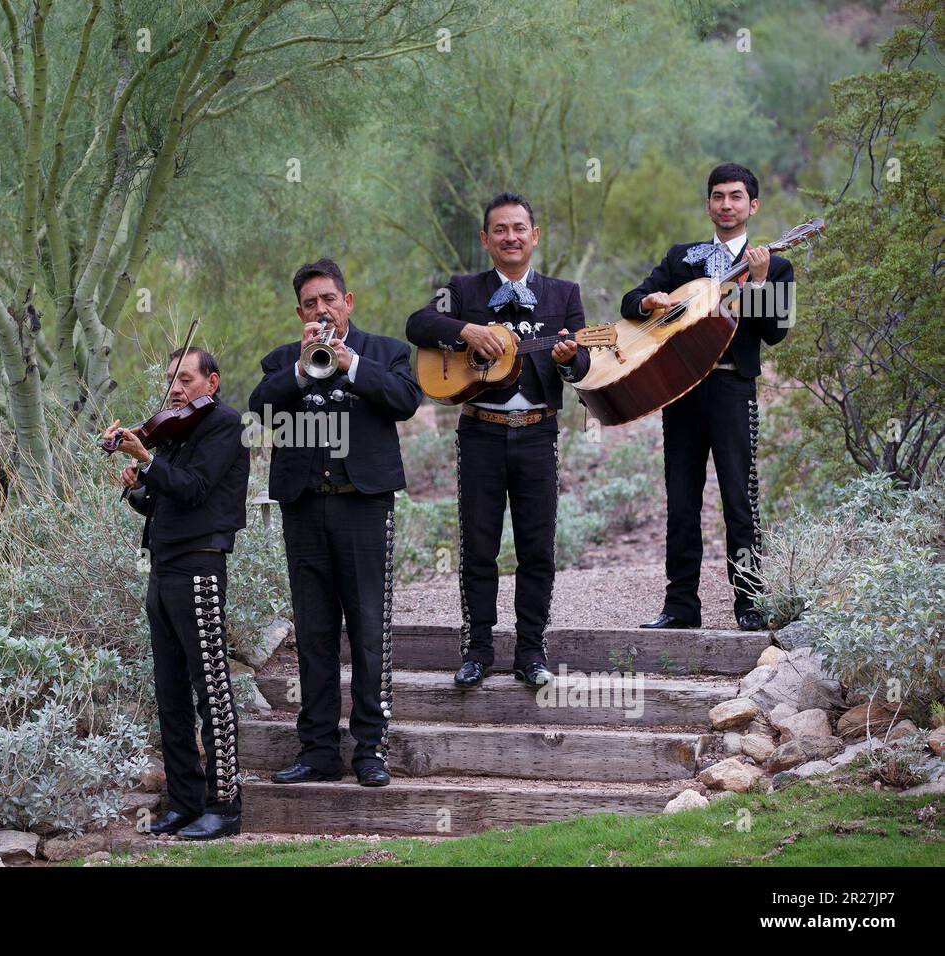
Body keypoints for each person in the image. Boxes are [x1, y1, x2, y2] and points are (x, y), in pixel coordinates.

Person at [406, 191, 590, 689]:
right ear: (486, 240)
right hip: (480, 432)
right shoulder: (463, 288)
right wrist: (466, 330)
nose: (511, 237)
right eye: (500, 230)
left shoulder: (563, 294)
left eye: (519, 228)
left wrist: (568, 358)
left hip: (538, 434)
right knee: (478, 545)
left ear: (535, 235)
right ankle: (478, 650)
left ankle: (531, 650)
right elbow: (417, 324)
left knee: (537, 549)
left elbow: (584, 364)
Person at [248, 257, 421, 787]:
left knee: (369, 630)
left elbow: (405, 402)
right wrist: (302, 369)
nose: (320, 310)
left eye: (329, 300)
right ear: (298, 311)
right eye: (309, 303)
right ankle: (318, 750)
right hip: (304, 507)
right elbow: (259, 411)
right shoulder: (283, 362)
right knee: (316, 633)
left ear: (348, 302)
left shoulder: (387, 353)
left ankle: (370, 749)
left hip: (363, 506)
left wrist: (351, 365)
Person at [620, 162, 793, 632]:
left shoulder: (775, 265)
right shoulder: (682, 259)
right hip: (680, 390)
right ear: (708, 205)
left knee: (740, 498)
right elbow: (630, 300)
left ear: (752, 206)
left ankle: (750, 602)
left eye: (736, 197)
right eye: (718, 196)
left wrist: (756, 285)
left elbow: (775, 333)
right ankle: (680, 606)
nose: (726, 205)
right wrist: (648, 303)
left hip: (733, 388)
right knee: (681, 500)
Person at [104, 346, 249, 839]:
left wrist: (148, 458)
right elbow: (163, 502)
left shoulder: (226, 424)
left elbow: (195, 489)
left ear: (212, 381)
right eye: (171, 380)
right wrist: (138, 484)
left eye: (186, 378)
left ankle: (225, 807)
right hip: (163, 568)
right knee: (170, 693)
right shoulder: (174, 430)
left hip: (201, 566)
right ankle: (184, 803)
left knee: (211, 689)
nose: (176, 388)